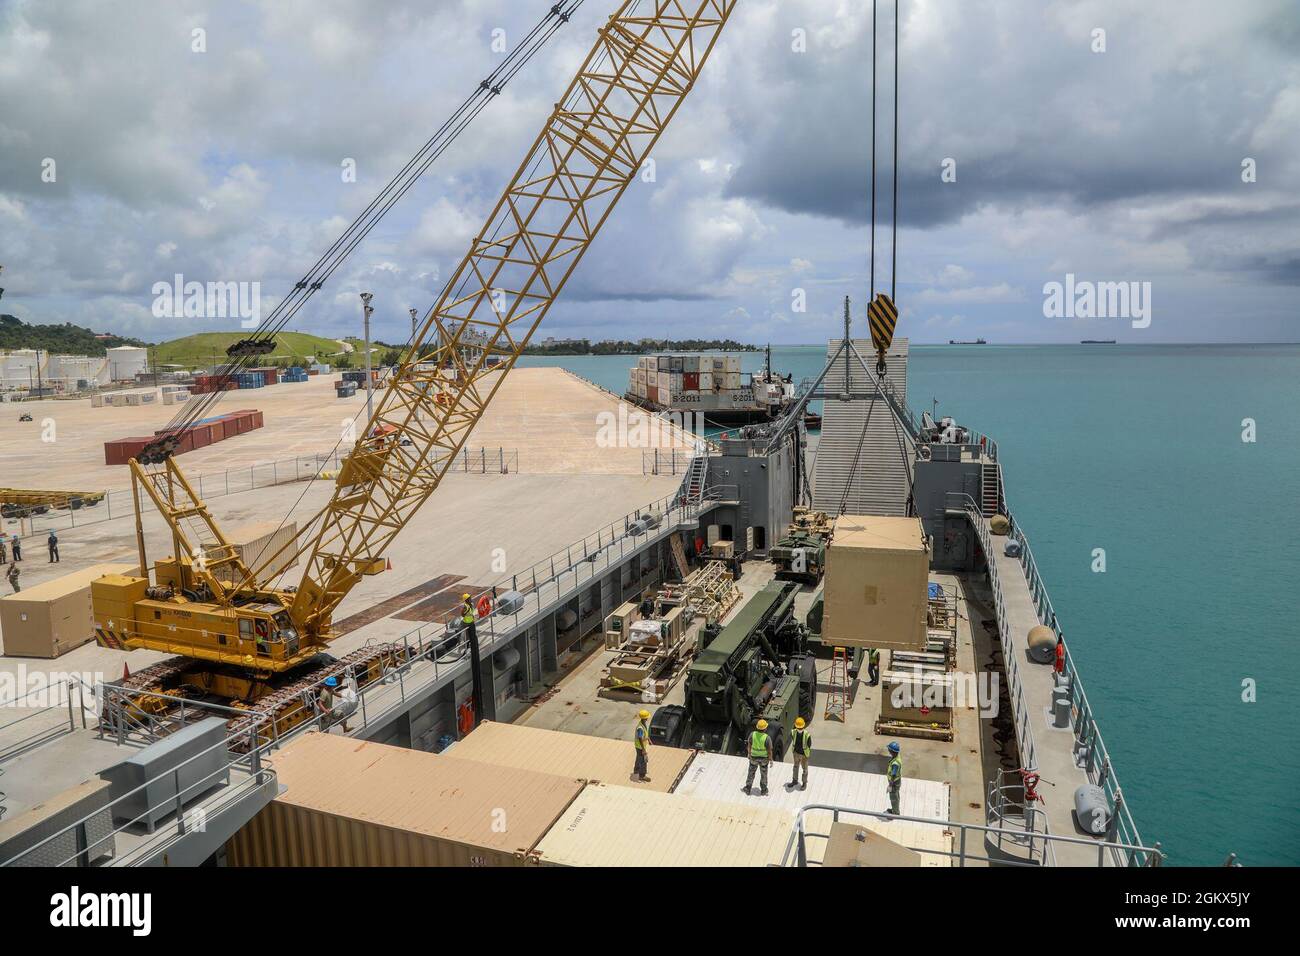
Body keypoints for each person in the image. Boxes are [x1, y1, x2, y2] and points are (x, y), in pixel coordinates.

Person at [744, 718, 771, 796]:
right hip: (764, 759)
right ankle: (763, 790)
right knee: (764, 774)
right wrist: (771, 759)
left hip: (753, 757)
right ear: (765, 728)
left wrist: (749, 753)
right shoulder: (767, 737)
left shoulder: (752, 734)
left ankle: (748, 788)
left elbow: (749, 744)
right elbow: (769, 750)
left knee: (751, 773)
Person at [787, 716, 812, 791]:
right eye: (799, 728)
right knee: (795, 767)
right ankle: (794, 781)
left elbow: (809, 745)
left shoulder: (807, 735)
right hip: (796, 753)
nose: (800, 729)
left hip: (804, 755)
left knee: (804, 769)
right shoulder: (793, 732)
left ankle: (804, 783)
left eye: (800, 728)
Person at [632, 709, 652, 781]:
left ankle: (636, 770)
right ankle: (642, 776)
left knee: (639, 758)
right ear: (644, 718)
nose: (647, 718)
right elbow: (640, 738)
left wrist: (648, 739)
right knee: (644, 761)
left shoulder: (642, 724)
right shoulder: (640, 728)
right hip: (640, 747)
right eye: (647, 717)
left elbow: (644, 734)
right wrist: (643, 749)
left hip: (640, 746)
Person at [885, 741, 902, 814]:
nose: (888, 751)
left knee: (893, 798)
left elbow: (893, 774)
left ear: (893, 751)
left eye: (889, 750)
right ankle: (895, 810)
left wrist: (890, 785)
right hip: (897, 781)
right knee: (896, 796)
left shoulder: (895, 763)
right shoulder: (896, 756)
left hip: (894, 782)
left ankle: (895, 813)